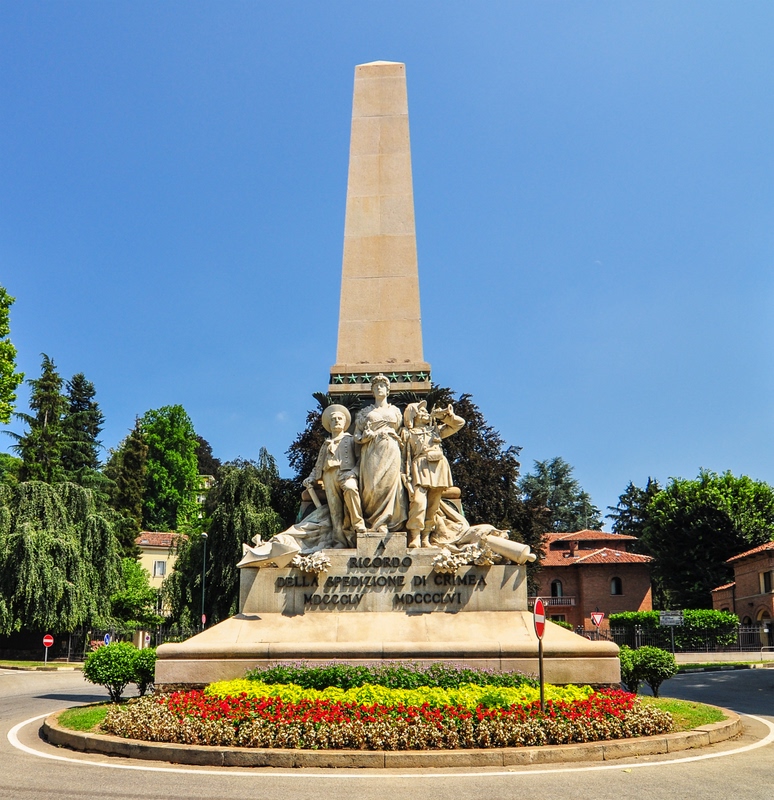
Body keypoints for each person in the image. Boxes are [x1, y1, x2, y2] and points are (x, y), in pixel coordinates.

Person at [402, 400, 465, 548]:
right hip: (419, 466)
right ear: (413, 415)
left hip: (438, 467)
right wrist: (405, 477)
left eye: (425, 411)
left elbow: (459, 424)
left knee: (433, 506)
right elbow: (404, 458)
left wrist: (445, 416)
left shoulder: (435, 430)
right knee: (418, 502)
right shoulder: (408, 433)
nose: (425, 413)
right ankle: (415, 536)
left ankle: (426, 537)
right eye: (421, 411)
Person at [304, 404, 365, 548]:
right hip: (328, 475)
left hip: (346, 473)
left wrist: (354, 472)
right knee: (335, 511)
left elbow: (360, 460)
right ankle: (339, 542)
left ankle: (358, 523)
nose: (337, 421)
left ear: (345, 423)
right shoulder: (326, 444)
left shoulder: (350, 440)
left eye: (340, 419)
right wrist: (312, 477)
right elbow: (319, 464)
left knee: (351, 490)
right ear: (329, 424)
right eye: (333, 419)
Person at [354, 374, 407, 532]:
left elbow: (403, 431)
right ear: (372, 391)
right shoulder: (365, 412)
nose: (379, 388)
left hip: (390, 448)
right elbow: (356, 435)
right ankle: (371, 521)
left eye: (382, 386)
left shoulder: (396, 412)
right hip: (371, 449)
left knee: (389, 484)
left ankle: (386, 521)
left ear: (388, 390)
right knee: (371, 486)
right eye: (376, 386)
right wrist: (364, 438)